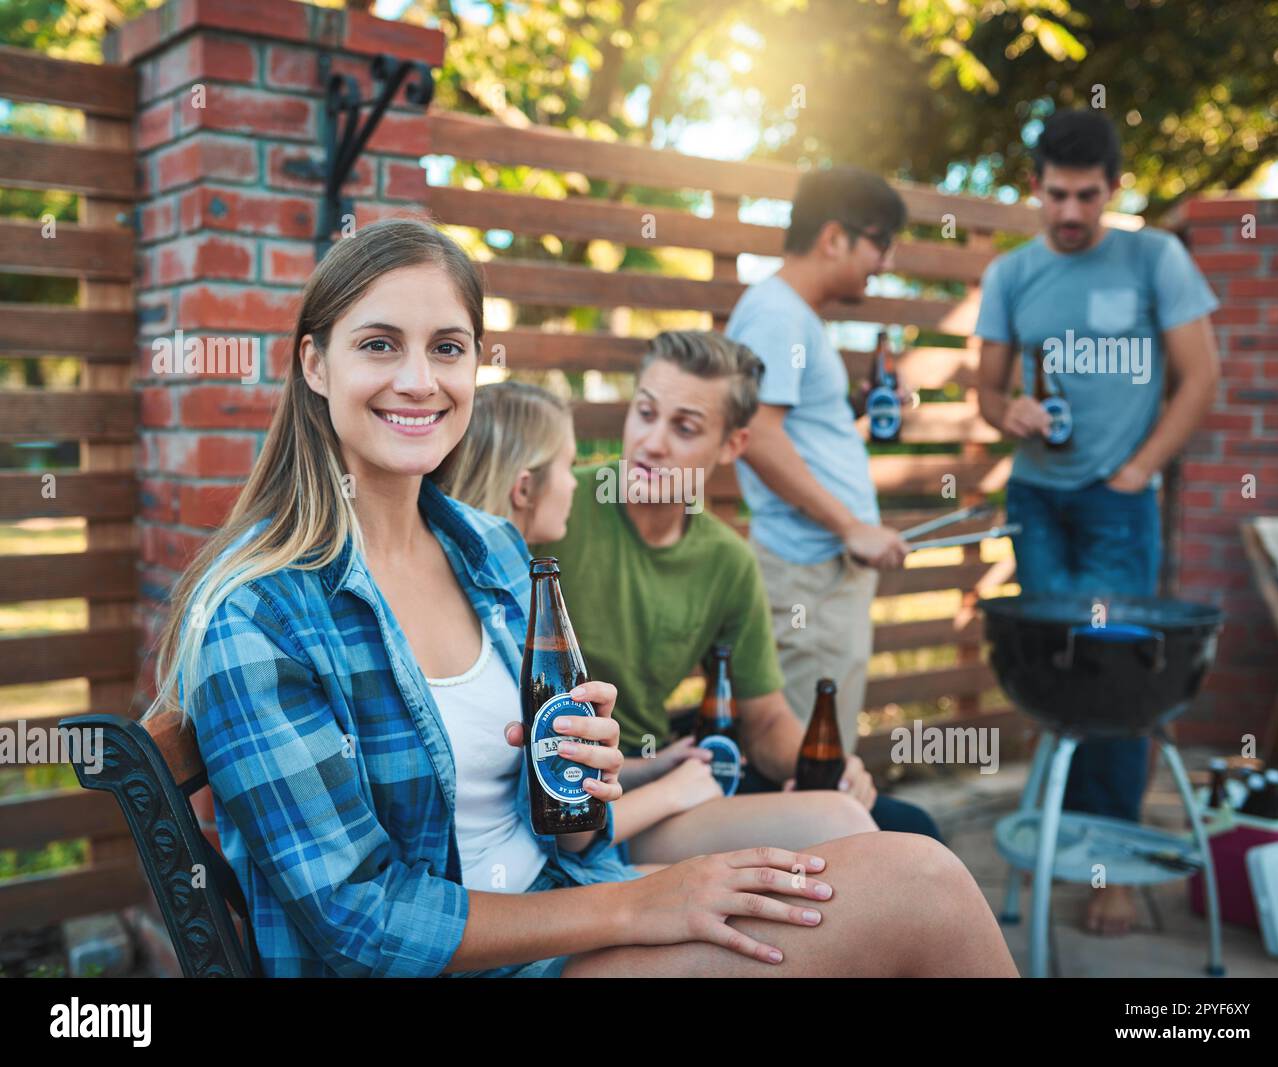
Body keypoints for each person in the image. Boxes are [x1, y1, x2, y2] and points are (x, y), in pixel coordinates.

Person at [142, 219, 1015, 978]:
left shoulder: (487, 549)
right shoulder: (259, 612)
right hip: (480, 958)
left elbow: (565, 827)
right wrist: (644, 904)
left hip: (566, 898)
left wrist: (586, 776)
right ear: (315, 364)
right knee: (921, 891)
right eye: (379, 344)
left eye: (447, 348)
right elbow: (360, 923)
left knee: (888, 861)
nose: (419, 381)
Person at [444, 335, 941, 858]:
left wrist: (833, 768)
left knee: (907, 826)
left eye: (684, 427)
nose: (651, 443)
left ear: (733, 445)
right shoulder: (550, 504)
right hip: (579, 793)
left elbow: (765, 719)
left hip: (662, 767)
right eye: (644, 412)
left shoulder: (727, 561)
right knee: (855, 841)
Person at [974, 109, 1221, 936]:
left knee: (1118, 678)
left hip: (1119, 504)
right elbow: (987, 393)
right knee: (1062, 671)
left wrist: (1137, 473)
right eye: (1055, 195)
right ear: (1034, 188)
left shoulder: (1156, 258)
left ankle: (1111, 868)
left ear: (1115, 189)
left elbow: (1200, 379)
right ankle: (1061, 837)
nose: (1070, 213)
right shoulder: (1012, 275)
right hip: (1038, 503)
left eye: (1087, 196)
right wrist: (1009, 413)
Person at [724, 165, 911, 762]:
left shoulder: (788, 315)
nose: (884, 263)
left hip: (821, 574)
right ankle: (810, 857)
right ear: (835, 237)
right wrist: (850, 526)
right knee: (810, 759)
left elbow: (785, 427)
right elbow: (758, 436)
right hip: (810, 575)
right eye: (880, 244)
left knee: (821, 749)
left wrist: (853, 409)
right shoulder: (778, 315)